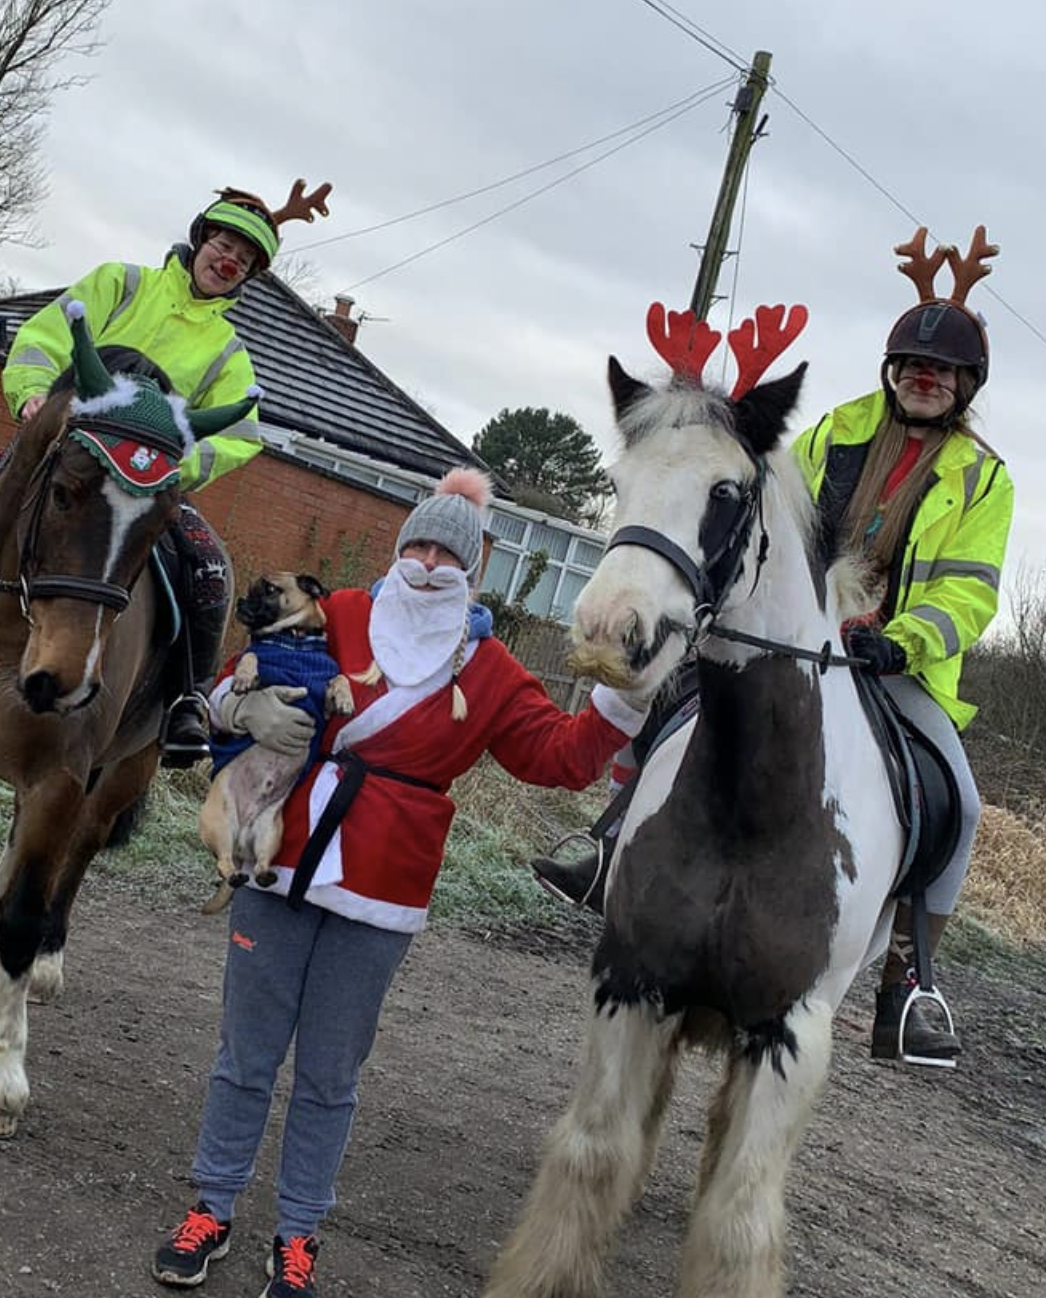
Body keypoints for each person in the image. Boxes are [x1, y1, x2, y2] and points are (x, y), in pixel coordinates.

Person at [150, 467, 650, 1296]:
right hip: (277, 856)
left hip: (384, 888)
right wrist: (238, 710)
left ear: (473, 567)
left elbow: (558, 758)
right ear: (397, 547)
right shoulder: (340, 612)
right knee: (245, 1055)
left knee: (329, 1076)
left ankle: (298, 1233)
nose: (427, 562)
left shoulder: (491, 671)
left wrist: (625, 694)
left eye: (446, 552)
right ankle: (212, 1205)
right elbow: (239, 674)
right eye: (417, 544)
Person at [533, 224, 1014, 1064]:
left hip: (898, 663)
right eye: (912, 365)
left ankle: (910, 979)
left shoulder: (984, 477)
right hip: (798, 631)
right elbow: (770, 519)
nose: (924, 379)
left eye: (942, 371)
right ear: (892, 370)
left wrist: (900, 641)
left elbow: (969, 591)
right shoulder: (834, 431)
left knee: (962, 805)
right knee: (670, 701)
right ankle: (607, 847)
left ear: (966, 384)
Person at [0, 178, 333, 766]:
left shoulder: (228, 351)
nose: (229, 261)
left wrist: (179, 467)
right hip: (65, 456)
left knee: (209, 567)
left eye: (244, 260)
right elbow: (41, 339)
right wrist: (33, 396)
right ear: (201, 240)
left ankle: (186, 700)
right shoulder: (121, 283)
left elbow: (243, 436)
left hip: (145, 482)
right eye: (223, 245)